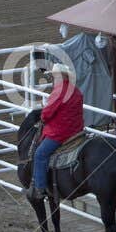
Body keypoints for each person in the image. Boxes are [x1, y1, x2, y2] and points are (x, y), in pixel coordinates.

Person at [28, 63, 84, 201]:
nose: (53, 79)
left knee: (40, 154)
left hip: (60, 133)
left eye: (54, 76)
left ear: (59, 76)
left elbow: (47, 113)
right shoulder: (75, 90)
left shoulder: (60, 90)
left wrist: (42, 116)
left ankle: (39, 188)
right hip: (76, 131)